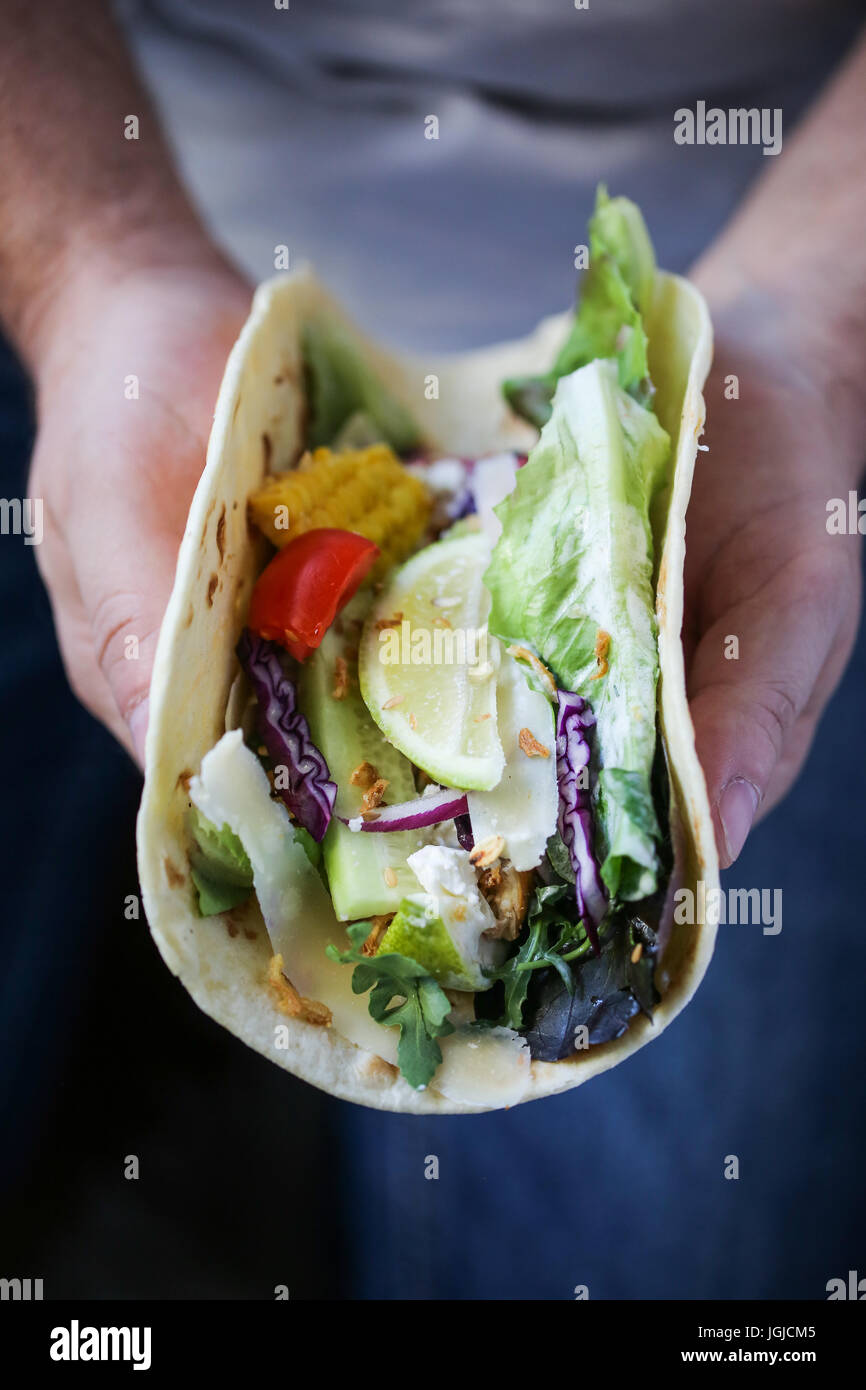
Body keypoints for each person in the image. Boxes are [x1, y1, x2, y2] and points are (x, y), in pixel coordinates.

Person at [1, 0, 864, 1299]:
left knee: (691, 1238)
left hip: (769, 245)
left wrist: (811, 330)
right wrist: (85, 254)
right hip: (146, 198)